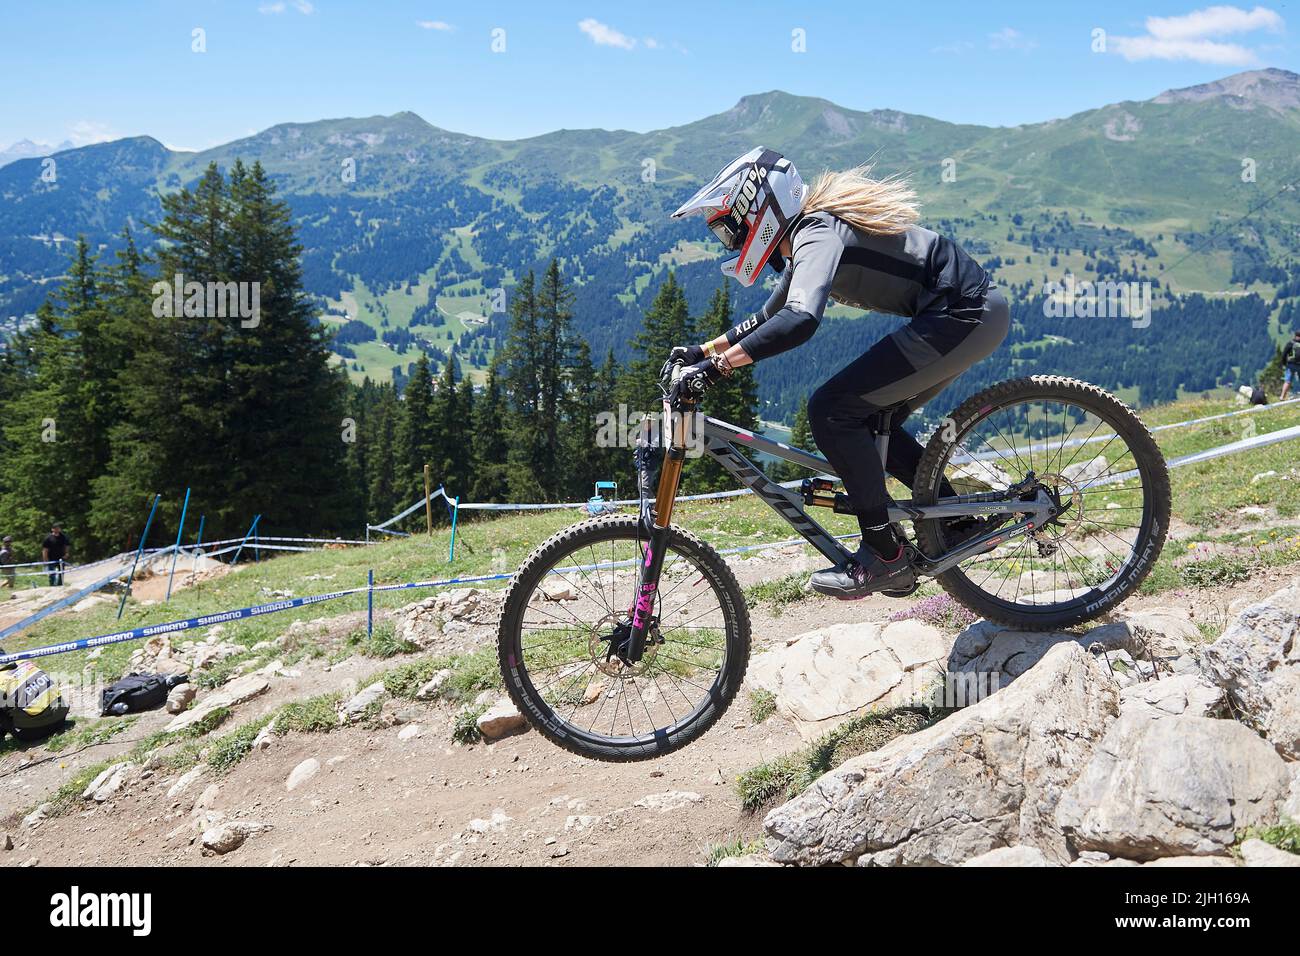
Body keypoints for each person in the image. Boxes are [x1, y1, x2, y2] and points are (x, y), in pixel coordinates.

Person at [668, 148, 1009, 597]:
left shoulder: (816, 231)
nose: (729, 241)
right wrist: (702, 351)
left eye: (730, 228)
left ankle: (886, 555)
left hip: (963, 313)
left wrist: (718, 367)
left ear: (760, 207)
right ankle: (957, 521)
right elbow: (770, 316)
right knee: (869, 419)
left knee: (833, 409)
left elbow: (800, 318)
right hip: (966, 314)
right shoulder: (809, 235)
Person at [1280, 328, 1300, 402]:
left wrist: (1284, 363)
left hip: (1291, 364)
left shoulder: (1291, 343)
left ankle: (1282, 397)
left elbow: (1285, 353)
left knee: (1288, 381)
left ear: (1295, 335)